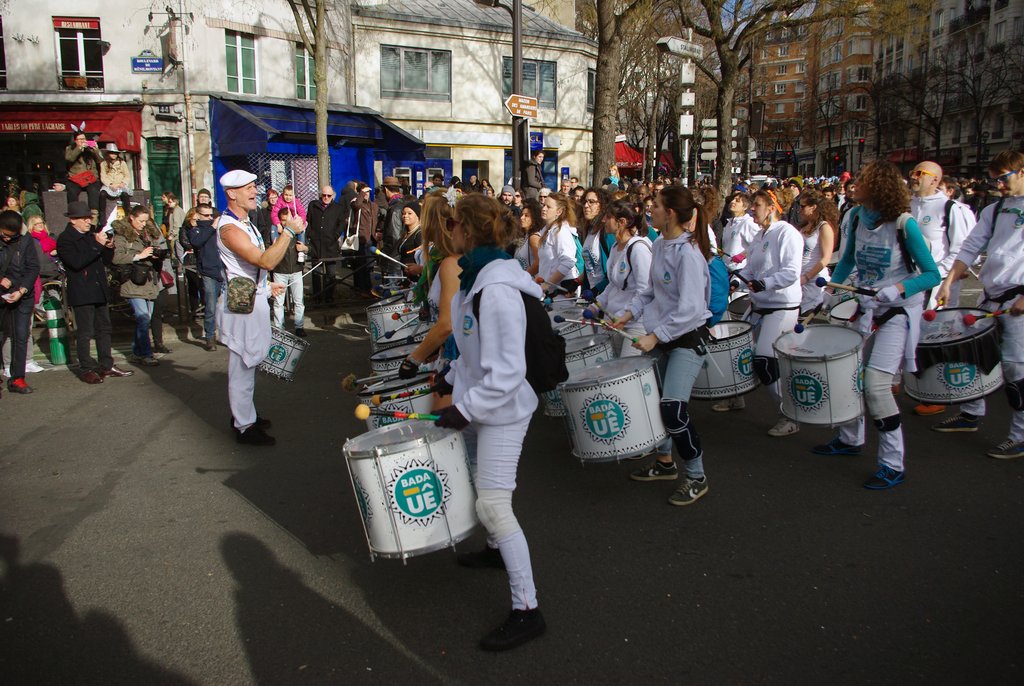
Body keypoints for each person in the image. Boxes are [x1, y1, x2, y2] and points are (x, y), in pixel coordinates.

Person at [435, 193, 545, 651]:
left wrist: (463, 409)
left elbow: (507, 372)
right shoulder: (474, 278)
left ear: (468, 229)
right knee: (480, 488)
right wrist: (449, 375)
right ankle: (497, 551)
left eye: (453, 224)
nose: (449, 231)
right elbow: (474, 351)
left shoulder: (497, 289)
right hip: (483, 404)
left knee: (495, 506)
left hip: (504, 411)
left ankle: (527, 609)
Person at [813, 159, 940, 489]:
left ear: (879, 187)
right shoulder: (856, 216)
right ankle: (850, 439)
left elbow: (931, 275)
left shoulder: (904, 224)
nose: (855, 184)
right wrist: (831, 293)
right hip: (866, 309)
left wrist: (898, 289)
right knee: (849, 375)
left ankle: (892, 463)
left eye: (863, 180)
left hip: (896, 313)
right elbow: (847, 260)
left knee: (877, 386)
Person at [612, 186, 712, 506]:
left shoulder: (689, 254)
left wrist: (655, 336)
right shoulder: (658, 244)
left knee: (673, 409)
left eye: (654, 205)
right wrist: (628, 314)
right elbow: (650, 292)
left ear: (669, 213)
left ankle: (697, 476)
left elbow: (691, 309)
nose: (649, 210)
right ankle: (665, 463)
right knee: (655, 404)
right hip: (664, 336)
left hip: (687, 339)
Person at [932, 151, 1024, 458]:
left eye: (1004, 178)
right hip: (991, 295)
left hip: (1019, 298)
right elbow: (971, 246)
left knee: (1016, 369)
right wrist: (949, 281)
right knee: (976, 356)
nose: (999, 185)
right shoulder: (995, 210)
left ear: (1022, 172)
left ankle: (1020, 434)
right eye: (995, 180)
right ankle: (971, 414)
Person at [216, 170, 305, 446]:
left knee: (250, 361)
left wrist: (266, 287)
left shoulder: (246, 223)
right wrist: (289, 231)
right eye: (249, 188)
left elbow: (252, 270)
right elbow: (266, 261)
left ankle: (246, 414)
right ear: (232, 194)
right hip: (241, 308)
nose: (255, 192)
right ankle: (244, 426)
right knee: (242, 365)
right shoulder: (229, 229)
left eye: (255, 187)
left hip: (252, 301)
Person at [731, 189, 803, 436]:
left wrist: (766, 283)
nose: (753, 209)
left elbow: (791, 272)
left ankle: (789, 415)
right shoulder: (760, 235)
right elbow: (751, 270)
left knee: (764, 360)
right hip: (758, 305)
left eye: (758, 205)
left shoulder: (787, 233)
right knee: (736, 352)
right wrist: (737, 281)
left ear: (772, 208)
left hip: (781, 306)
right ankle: (735, 397)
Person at [909, 160, 977, 417]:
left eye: (920, 173)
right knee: (911, 334)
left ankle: (941, 394)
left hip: (939, 286)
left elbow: (962, 249)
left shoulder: (951, 208)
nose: (914, 177)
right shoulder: (909, 205)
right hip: (912, 283)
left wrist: (937, 276)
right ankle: (911, 383)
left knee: (939, 337)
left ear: (935, 179)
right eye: (912, 172)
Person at [55, 201, 134, 384]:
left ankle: (106, 365)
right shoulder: (65, 239)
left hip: (99, 289)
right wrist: (98, 245)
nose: (88, 221)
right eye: (84, 218)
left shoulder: (92, 236)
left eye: (89, 218)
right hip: (82, 291)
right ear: (73, 220)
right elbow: (77, 262)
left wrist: (108, 247)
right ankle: (86, 368)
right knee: (85, 331)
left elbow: (105, 260)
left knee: (104, 329)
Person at [397, 194, 461, 410]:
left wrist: (413, 359)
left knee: (446, 423)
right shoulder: (441, 258)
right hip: (448, 351)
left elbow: (447, 324)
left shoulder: (450, 263)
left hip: (458, 357)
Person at [591, 200, 652, 358]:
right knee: (610, 367)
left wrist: (623, 316)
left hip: (635, 323)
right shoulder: (615, 247)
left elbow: (644, 292)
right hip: (615, 320)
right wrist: (596, 305)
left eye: (608, 217)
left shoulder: (639, 249)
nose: (603, 220)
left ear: (622, 222)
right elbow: (613, 284)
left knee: (627, 369)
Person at [112, 205, 164, 367]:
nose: (143, 224)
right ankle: (146, 354)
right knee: (143, 318)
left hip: (149, 280)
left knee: (145, 319)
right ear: (132, 218)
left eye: (145, 221)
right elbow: (117, 257)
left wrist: (156, 254)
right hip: (133, 281)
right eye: (140, 221)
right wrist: (139, 256)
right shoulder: (122, 234)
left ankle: (136, 352)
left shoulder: (147, 232)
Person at [0, 210, 41, 395]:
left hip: (22, 294)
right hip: (2, 292)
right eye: (4, 235)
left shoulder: (25, 240)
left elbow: (33, 267)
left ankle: (18, 378)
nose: (8, 239)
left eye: (12, 236)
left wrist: (22, 289)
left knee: (21, 335)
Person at [187, 203, 223, 351]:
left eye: (211, 215)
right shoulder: (196, 230)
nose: (209, 218)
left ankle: (226, 335)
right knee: (210, 307)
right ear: (198, 215)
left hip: (222, 270)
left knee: (224, 307)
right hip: (208, 271)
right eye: (206, 215)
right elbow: (197, 242)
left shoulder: (217, 229)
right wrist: (212, 227)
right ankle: (210, 337)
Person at [796, 188, 837, 317]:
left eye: (803, 206)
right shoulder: (803, 227)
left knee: (807, 318)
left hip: (814, 280)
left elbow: (826, 258)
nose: (800, 210)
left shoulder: (824, 227)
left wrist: (807, 277)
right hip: (799, 279)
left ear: (813, 207)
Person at [270, 206, 308, 337]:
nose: (286, 223)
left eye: (288, 220)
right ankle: (279, 328)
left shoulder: (298, 232)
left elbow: (308, 248)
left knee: (299, 301)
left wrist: (305, 248)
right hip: (280, 271)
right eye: (283, 220)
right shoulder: (277, 232)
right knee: (278, 302)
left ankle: (299, 327)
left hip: (296, 270)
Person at [536, 192, 580, 297]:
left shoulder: (562, 231)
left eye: (548, 207)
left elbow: (568, 261)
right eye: (543, 205)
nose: (544, 209)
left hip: (563, 290)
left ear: (559, 211)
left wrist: (547, 285)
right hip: (550, 291)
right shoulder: (546, 230)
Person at [306, 185, 343, 305]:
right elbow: (308, 221)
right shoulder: (313, 205)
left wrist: (335, 235)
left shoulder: (338, 208)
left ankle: (329, 297)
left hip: (330, 245)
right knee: (316, 273)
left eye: (329, 195)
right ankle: (317, 297)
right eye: (324, 195)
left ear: (333, 196)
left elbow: (341, 224)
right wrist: (310, 234)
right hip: (316, 244)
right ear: (320, 195)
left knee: (331, 273)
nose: (326, 197)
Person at [64, 132, 103, 217]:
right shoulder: (70, 148)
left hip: (91, 178)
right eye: (80, 139)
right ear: (75, 140)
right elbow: (70, 158)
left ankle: (94, 216)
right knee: (72, 191)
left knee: (93, 191)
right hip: (76, 178)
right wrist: (79, 148)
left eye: (84, 139)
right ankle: (75, 213)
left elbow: (100, 160)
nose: (82, 141)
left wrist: (96, 150)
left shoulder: (90, 149)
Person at [98, 143, 133, 220]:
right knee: (102, 194)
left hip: (120, 185)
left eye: (115, 153)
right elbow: (103, 176)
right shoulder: (103, 164)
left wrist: (123, 183)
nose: (113, 155)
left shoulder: (122, 163)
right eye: (111, 153)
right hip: (109, 185)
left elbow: (127, 175)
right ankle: (102, 216)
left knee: (125, 194)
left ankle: (128, 214)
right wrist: (110, 184)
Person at [513, 198, 543, 275]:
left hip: (529, 280)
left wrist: (525, 277)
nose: (522, 218)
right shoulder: (526, 235)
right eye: (522, 215)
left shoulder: (534, 237)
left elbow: (539, 262)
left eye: (526, 216)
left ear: (534, 219)